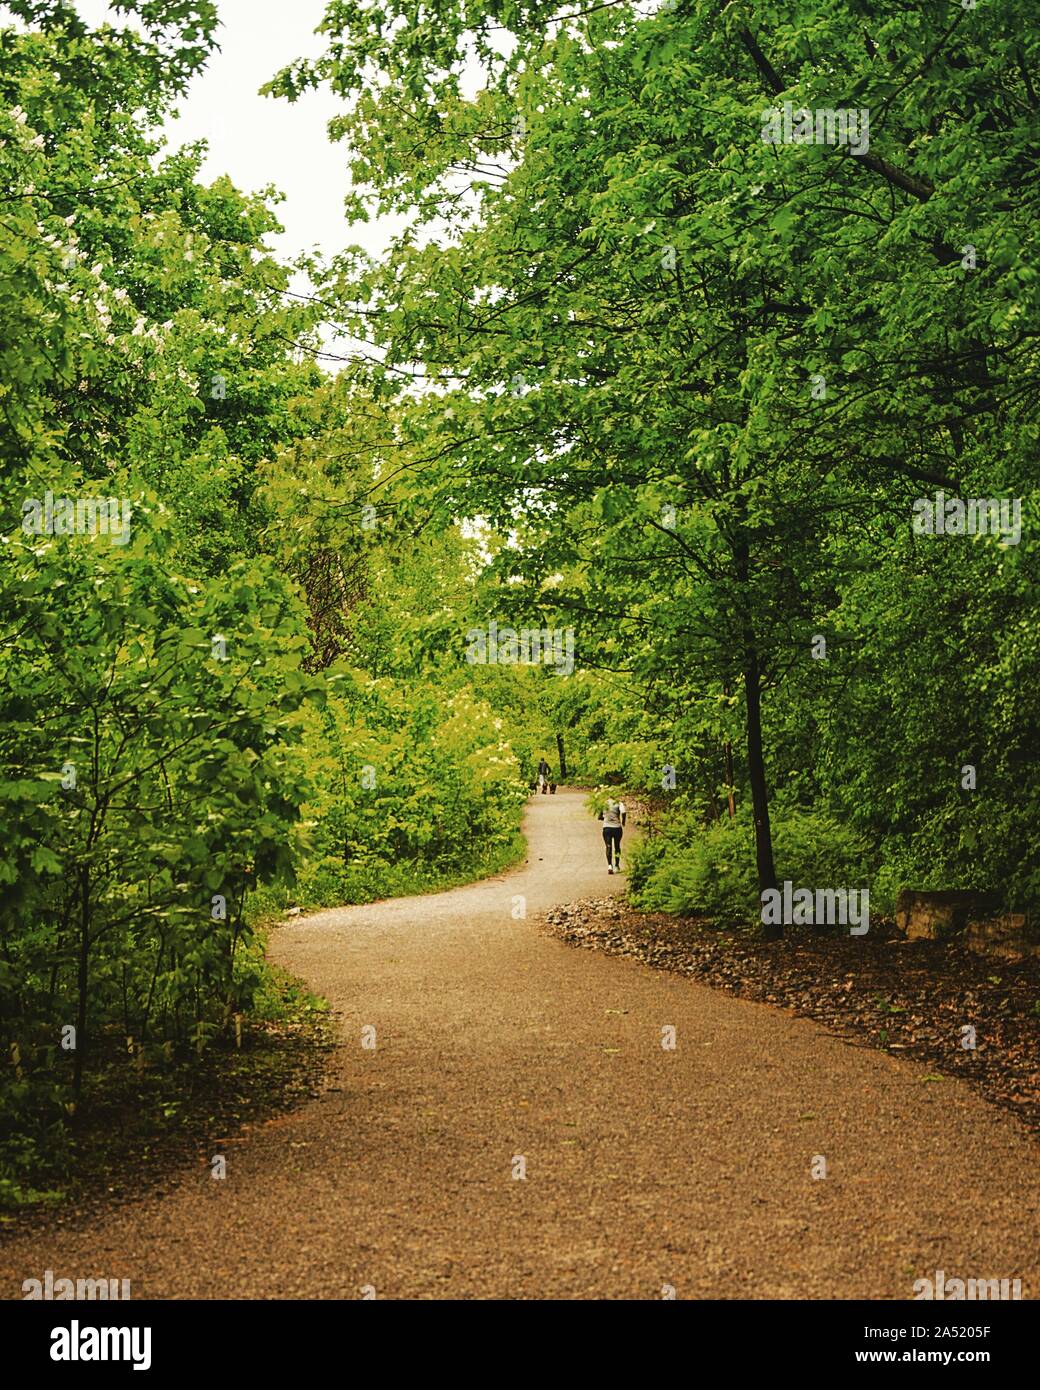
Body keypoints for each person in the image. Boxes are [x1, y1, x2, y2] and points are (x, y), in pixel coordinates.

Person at [597, 795, 627, 873]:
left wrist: (605, 817)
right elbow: (623, 812)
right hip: (617, 828)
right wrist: (623, 821)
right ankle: (617, 865)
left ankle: (610, 866)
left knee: (608, 846)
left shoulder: (604, 803)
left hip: (607, 828)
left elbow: (599, 817)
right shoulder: (619, 803)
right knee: (617, 846)